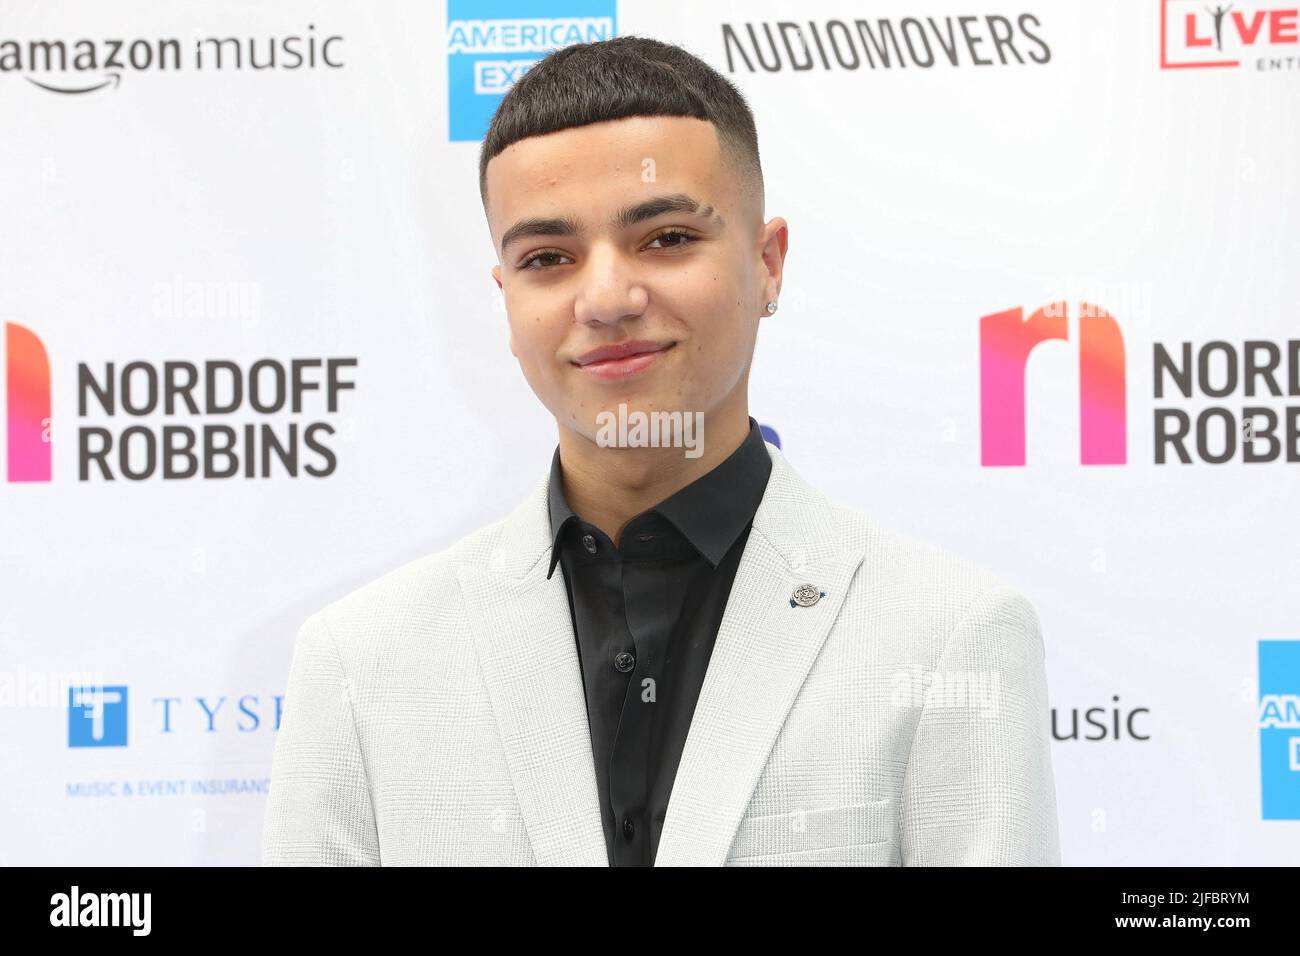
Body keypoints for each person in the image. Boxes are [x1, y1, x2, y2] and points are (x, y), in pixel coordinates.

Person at [261, 35, 1061, 866]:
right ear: (506, 297)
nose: (606, 298)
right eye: (548, 258)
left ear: (768, 262)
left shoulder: (949, 632)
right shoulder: (360, 663)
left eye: (667, 238)